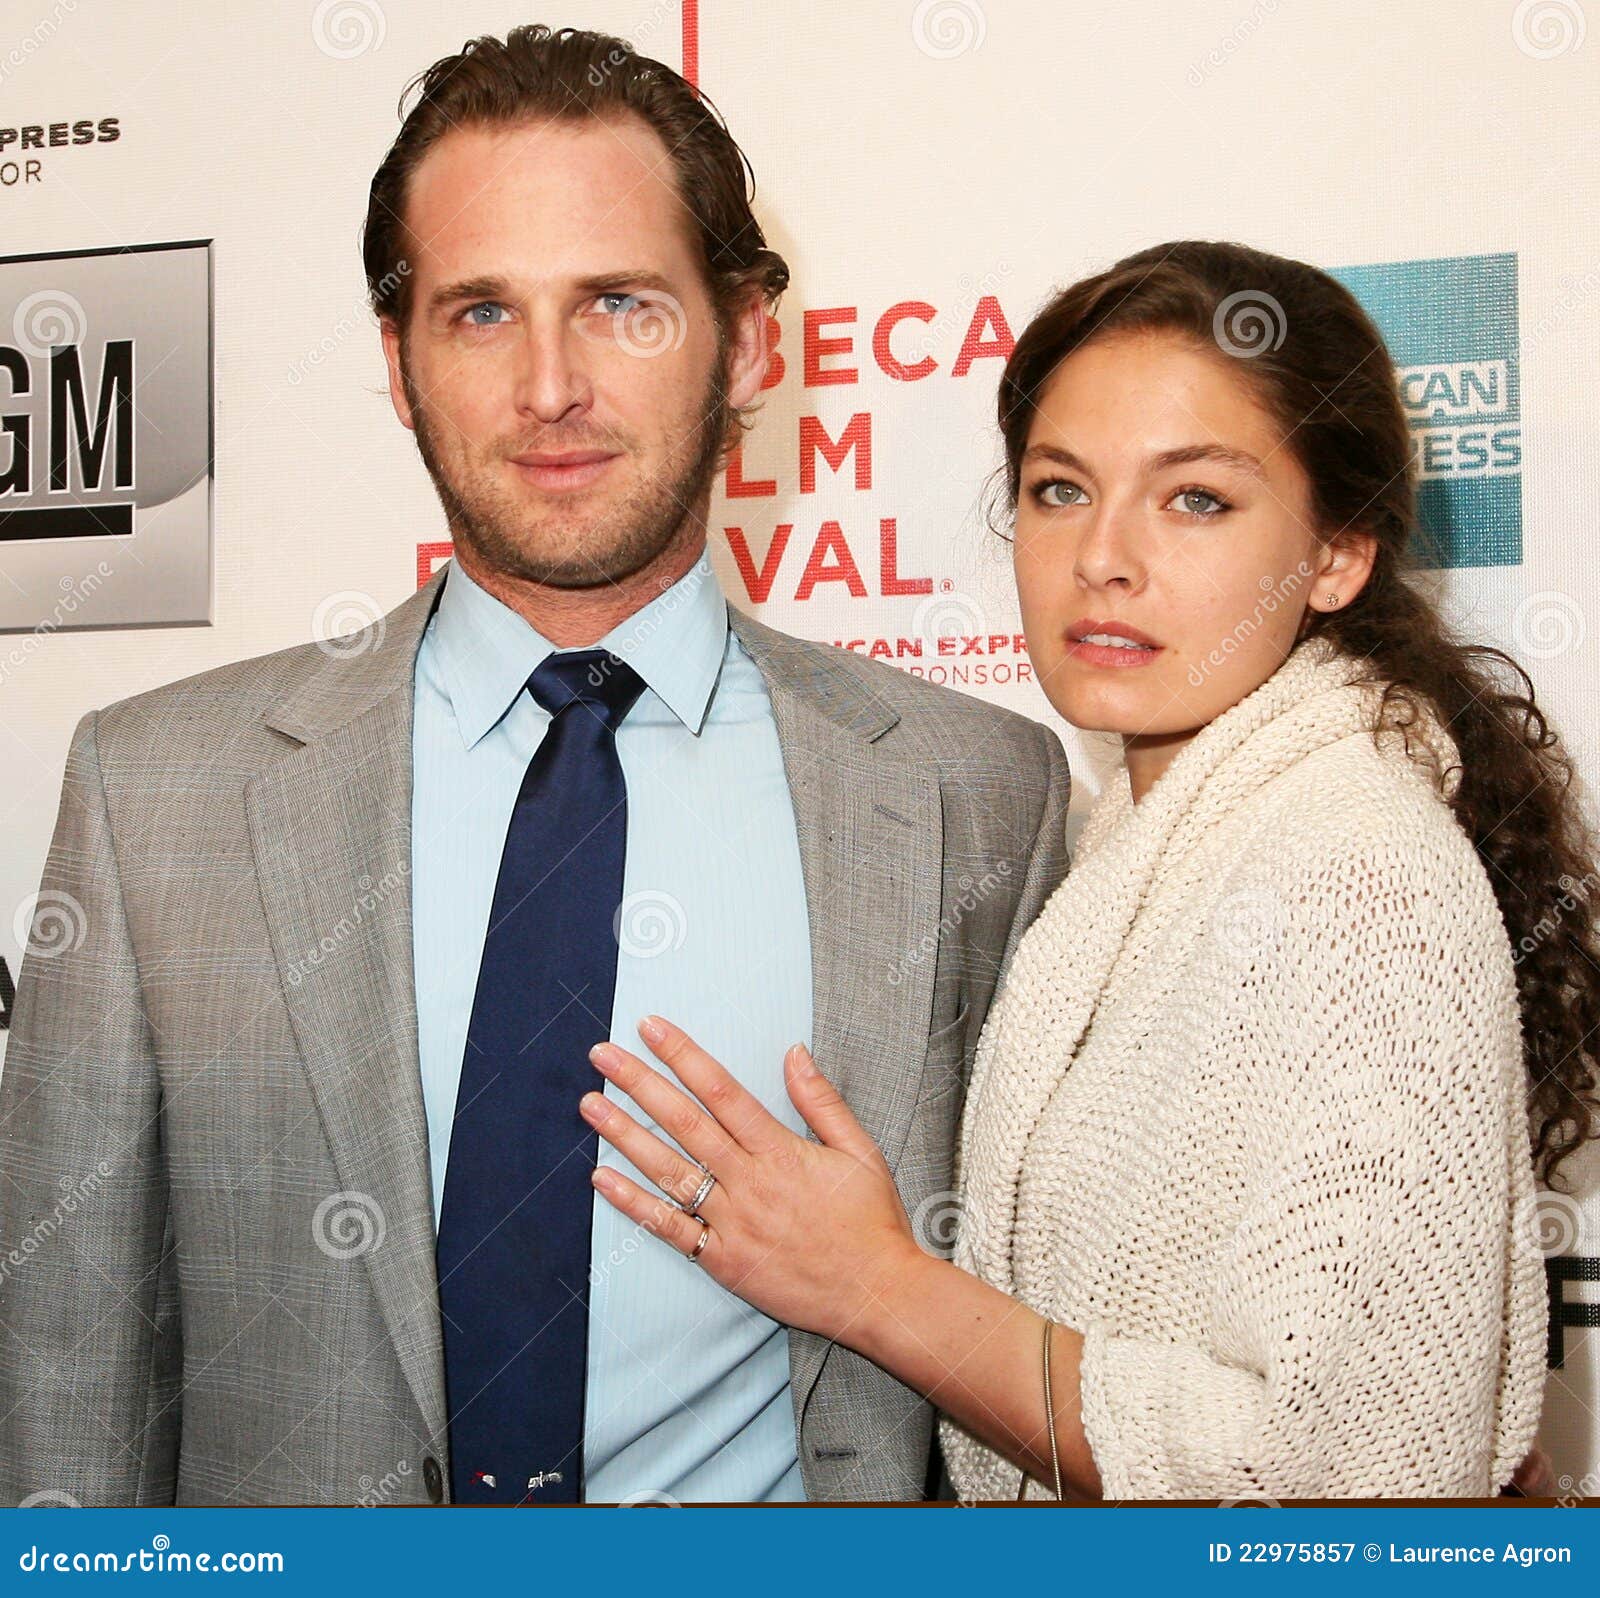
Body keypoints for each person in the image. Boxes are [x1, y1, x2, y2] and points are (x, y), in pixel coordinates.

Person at [0, 27, 1070, 1507]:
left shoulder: (976, 792)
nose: (550, 385)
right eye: (481, 313)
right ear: (399, 362)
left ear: (749, 337)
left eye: (620, 304)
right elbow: (70, 1374)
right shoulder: (153, 792)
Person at [581, 239, 1600, 1499]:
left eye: (1195, 499)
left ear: (1337, 554)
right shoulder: (1143, 830)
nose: (1102, 555)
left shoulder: (1356, 867)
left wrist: (875, 1283)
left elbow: (1352, 1474)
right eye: (1061, 489)